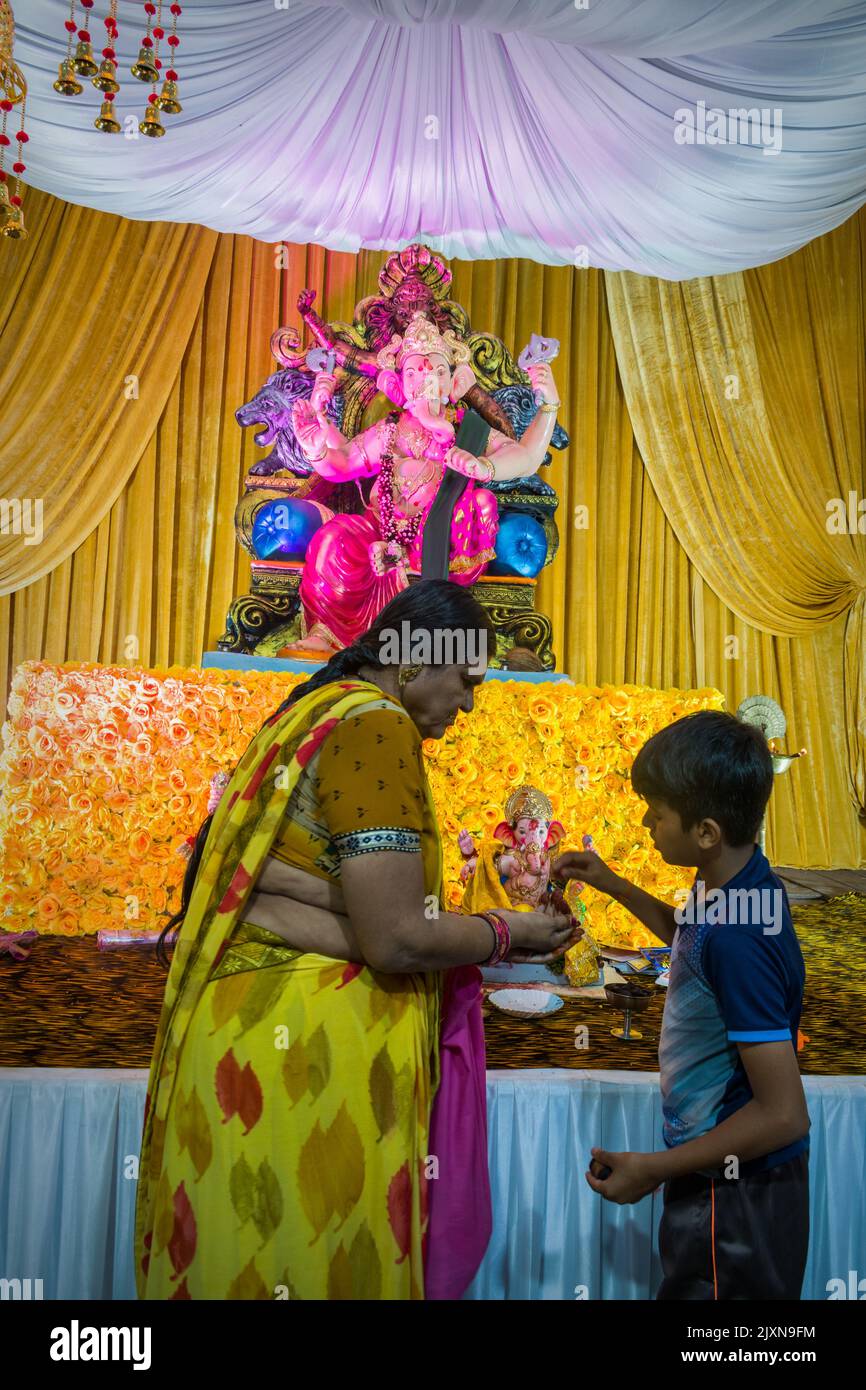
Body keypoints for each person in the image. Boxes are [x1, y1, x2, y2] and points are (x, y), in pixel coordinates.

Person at [136, 579, 577, 1301]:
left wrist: (298, 897)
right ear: (414, 663)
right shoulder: (375, 726)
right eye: (466, 682)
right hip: (299, 1058)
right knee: (311, 1261)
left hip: (246, 1039)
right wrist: (509, 932)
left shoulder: (314, 712)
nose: (469, 705)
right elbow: (398, 939)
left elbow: (295, 897)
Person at [552, 709, 810, 1300]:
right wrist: (614, 884)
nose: (645, 821)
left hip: (738, 1197)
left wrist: (653, 1170)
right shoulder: (733, 885)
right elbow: (692, 945)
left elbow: (784, 1113)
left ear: (706, 832)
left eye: (657, 811)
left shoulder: (742, 942)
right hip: (718, 1173)